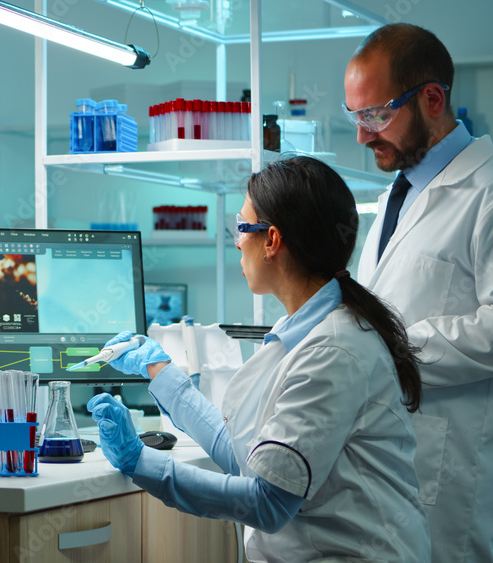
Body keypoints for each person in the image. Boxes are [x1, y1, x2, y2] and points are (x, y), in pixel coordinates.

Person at [89, 156, 430, 562]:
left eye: (241, 227)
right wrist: (159, 370)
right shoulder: (305, 330)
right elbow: (243, 454)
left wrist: (139, 460)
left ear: (271, 240)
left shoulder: (332, 351)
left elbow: (268, 501)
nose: (236, 241)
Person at [345, 24, 493, 561]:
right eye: (355, 117)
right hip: (392, 462)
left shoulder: (487, 189)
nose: (363, 135)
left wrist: (391, 351)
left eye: (376, 115)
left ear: (432, 98)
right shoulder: (396, 195)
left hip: (454, 468)